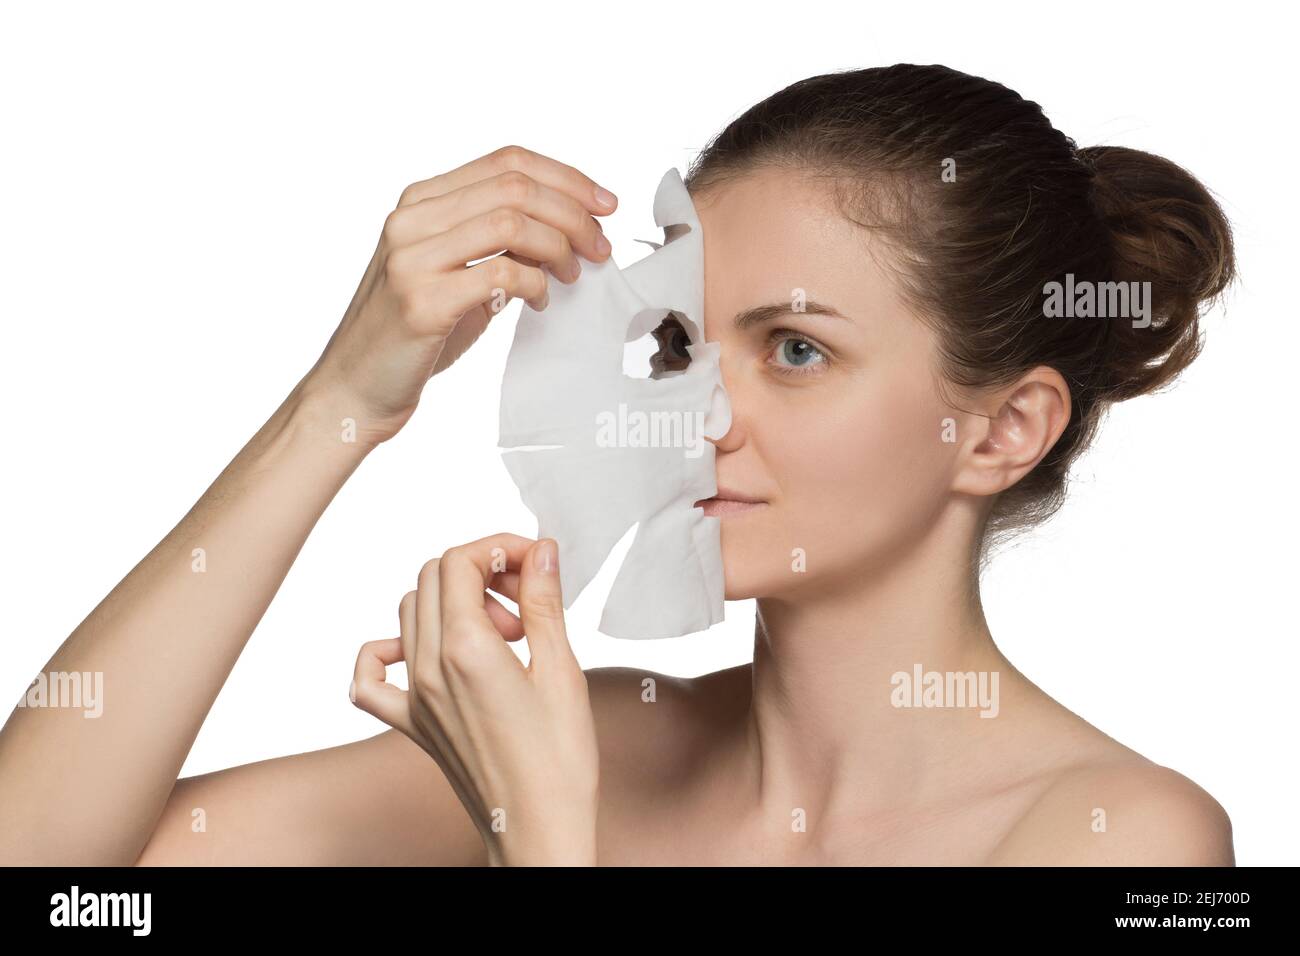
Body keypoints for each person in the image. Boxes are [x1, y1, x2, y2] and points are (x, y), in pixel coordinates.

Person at [0, 64, 1236, 866]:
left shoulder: (1124, 839)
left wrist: (537, 835)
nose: (696, 413)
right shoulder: (605, 738)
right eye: (685, 339)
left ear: (1002, 428)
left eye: (796, 348)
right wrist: (342, 403)